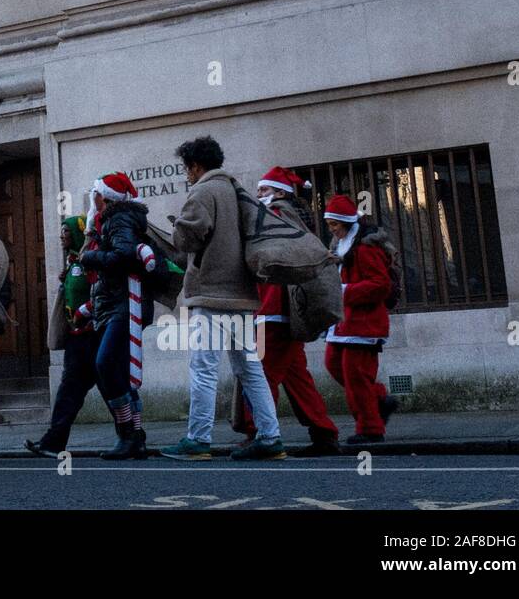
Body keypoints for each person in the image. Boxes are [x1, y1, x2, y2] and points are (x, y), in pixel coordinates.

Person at [161, 136, 286, 461]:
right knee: (249, 368)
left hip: (211, 294)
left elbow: (189, 236)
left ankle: (198, 440)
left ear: (196, 165)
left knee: (203, 368)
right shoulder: (235, 190)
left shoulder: (202, 191)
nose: (186, 174)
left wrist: (176, 229)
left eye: (186, 168)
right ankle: (271, 437)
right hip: (242, 297)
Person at [238, 167, 341, 457]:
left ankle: (260, 434)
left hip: (273, 309)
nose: (258, 195)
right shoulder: (291, 217)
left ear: (279, 193)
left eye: (263, 190)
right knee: (297, 377)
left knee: (259, 374)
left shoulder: (276, 217)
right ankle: (324, 433)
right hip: (281, 311)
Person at [71, 173, 157, 459]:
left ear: (104, 197)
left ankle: (128, 433)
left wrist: (89, 258)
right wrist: (89, 308)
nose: (91, 197)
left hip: (126, 306)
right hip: (114, 305)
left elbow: (122, 256)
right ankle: (135, 437)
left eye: (94, 192)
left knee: (106, 364)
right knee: (116, 370)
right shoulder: (106, 222)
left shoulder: (118, 219)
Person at [322, 194, 398, 444]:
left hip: (363, 322)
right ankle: (378, 400)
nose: (332, 229)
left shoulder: (365, 247)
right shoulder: (344, 247)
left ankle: (370, 427)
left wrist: (344, 292)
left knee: (355, 374)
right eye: (330, 224)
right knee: (334, 365)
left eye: (335, 224)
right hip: (345, 322)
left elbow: (380, 285)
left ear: (346, 222)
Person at [27, 214, 100, 457]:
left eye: (66, 232)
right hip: (76, 338)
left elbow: (101, 293)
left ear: (77, 234)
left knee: (113, 389)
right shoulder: (74, 264)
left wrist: (84, 311)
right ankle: (53, 441)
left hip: (92, 337)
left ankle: (132, 435)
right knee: (70, 391)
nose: (61, 236)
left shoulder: (89, 263)